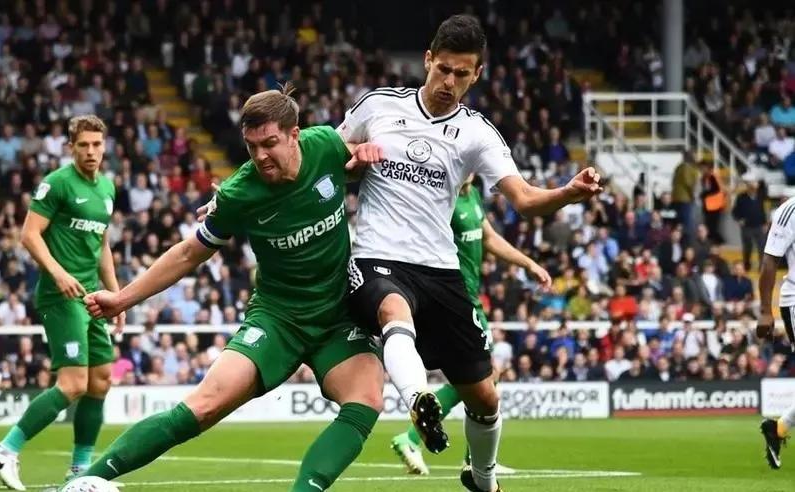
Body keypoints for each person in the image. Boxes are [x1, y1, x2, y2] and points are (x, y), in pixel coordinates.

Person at [76, 87, 384, 492]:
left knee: (367, 399)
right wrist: (121, 299)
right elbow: (189, 254)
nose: (260, 157)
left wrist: (367, 152)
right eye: (251, 146)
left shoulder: (325, 144)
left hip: (338, 313)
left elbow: (360, 158)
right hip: (278, 318)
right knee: (202, 408)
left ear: (295, 134)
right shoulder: (240, 193)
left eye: (270, 143)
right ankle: (88, 482)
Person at [339, 15, 600, 492]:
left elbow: (522, 199)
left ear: (476, 75)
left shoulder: (477, 133)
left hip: (440, 271)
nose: (449, 82)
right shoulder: (377, 107)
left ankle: (483, 480)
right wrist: (352, 159)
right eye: (442, 69)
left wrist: (567, 192)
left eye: (461, 74)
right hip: (377, 256)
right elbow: (326, 158)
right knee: (393, 311)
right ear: (427, 60)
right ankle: (420, 399)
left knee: (484, 397)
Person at [0, 115, 125, 491]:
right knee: (74, 383)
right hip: (60, 296)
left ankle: (80, 471)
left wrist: (118, 294)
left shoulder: (108, 189)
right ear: (71, 147)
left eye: (97, 144)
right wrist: (58, 273)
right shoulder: (57, 183)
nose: (91, 151)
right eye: (84, 145)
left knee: (100, 381)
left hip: (93, 297)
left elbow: (103, 246)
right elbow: (29, 235)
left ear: (104, 145)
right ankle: (6, 449)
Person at [390, 174, 551, 475]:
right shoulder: (443, 200)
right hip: (455, 298)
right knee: (481, 377)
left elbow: (488, 238)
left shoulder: (473, 196)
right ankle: (414, 439)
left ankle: (464, 456)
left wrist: (528, 264)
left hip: (471, 298)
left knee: (485, 377)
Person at [756, 193, 795, 470]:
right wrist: (764, 311)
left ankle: (778, 428)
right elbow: (769, 262)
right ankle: (777, 428)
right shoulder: (789, 210)